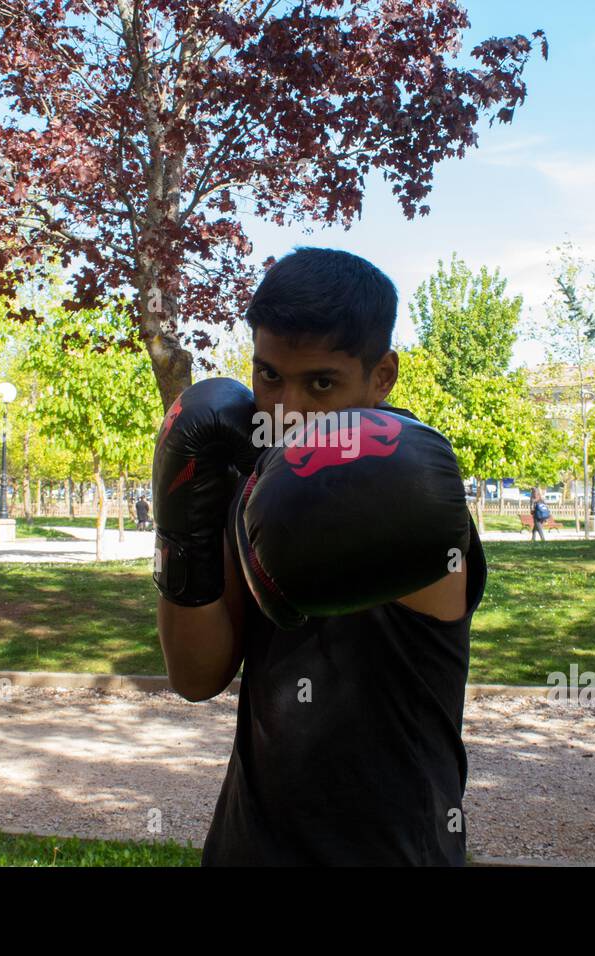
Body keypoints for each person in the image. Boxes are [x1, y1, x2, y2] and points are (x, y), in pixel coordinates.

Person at [152, 247, 486, 866]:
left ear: (381, 376)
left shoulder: (413, 494)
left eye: (321, 383)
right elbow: (196, 678)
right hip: (248, 847)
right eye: (269, 375)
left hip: (392, 851)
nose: (286, 410)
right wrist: (183, 533)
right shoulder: (251, 487)